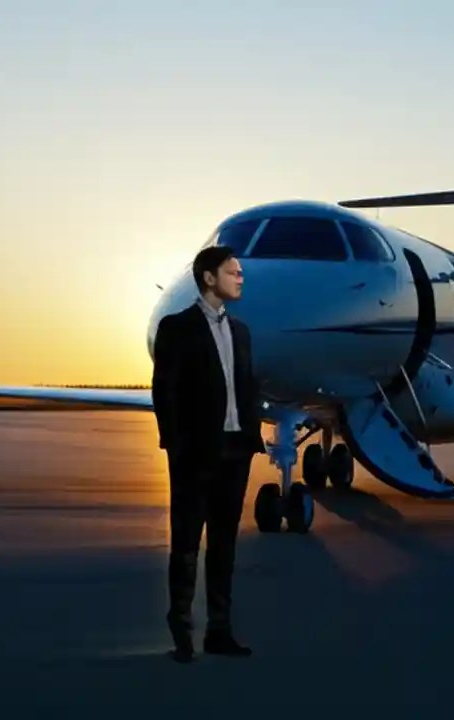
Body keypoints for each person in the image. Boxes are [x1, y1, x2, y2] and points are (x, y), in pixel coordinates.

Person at [151, 245, 266, 664]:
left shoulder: (241, 332)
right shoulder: (177, 328)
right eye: (232, 272)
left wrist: (251, 436)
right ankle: (182, 632)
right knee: (185, 543)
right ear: (209, 278)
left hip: (236, 450)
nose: (240, 278)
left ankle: (220, 630)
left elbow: (246, 386)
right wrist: (176, 445)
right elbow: (165, 391)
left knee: (224, 544)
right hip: (195, 453)